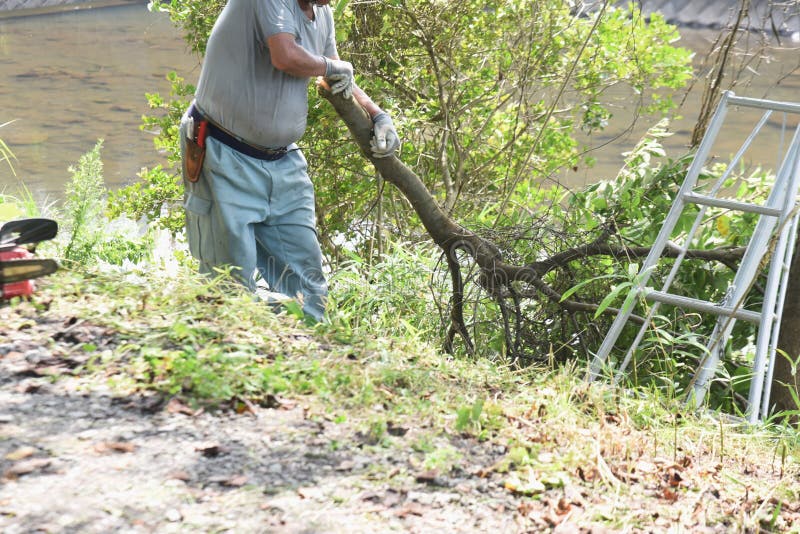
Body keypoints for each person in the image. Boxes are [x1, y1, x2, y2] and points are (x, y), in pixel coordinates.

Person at [179, 0, 400, 322]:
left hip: (283, 163)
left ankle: (302, 362)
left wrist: (377, 113)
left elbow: (333, 74)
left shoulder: (322, 12)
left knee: (310, 292)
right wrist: (331, 67)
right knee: (227, 288)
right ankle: (222, 357)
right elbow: (286, 56)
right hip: (222, 154)